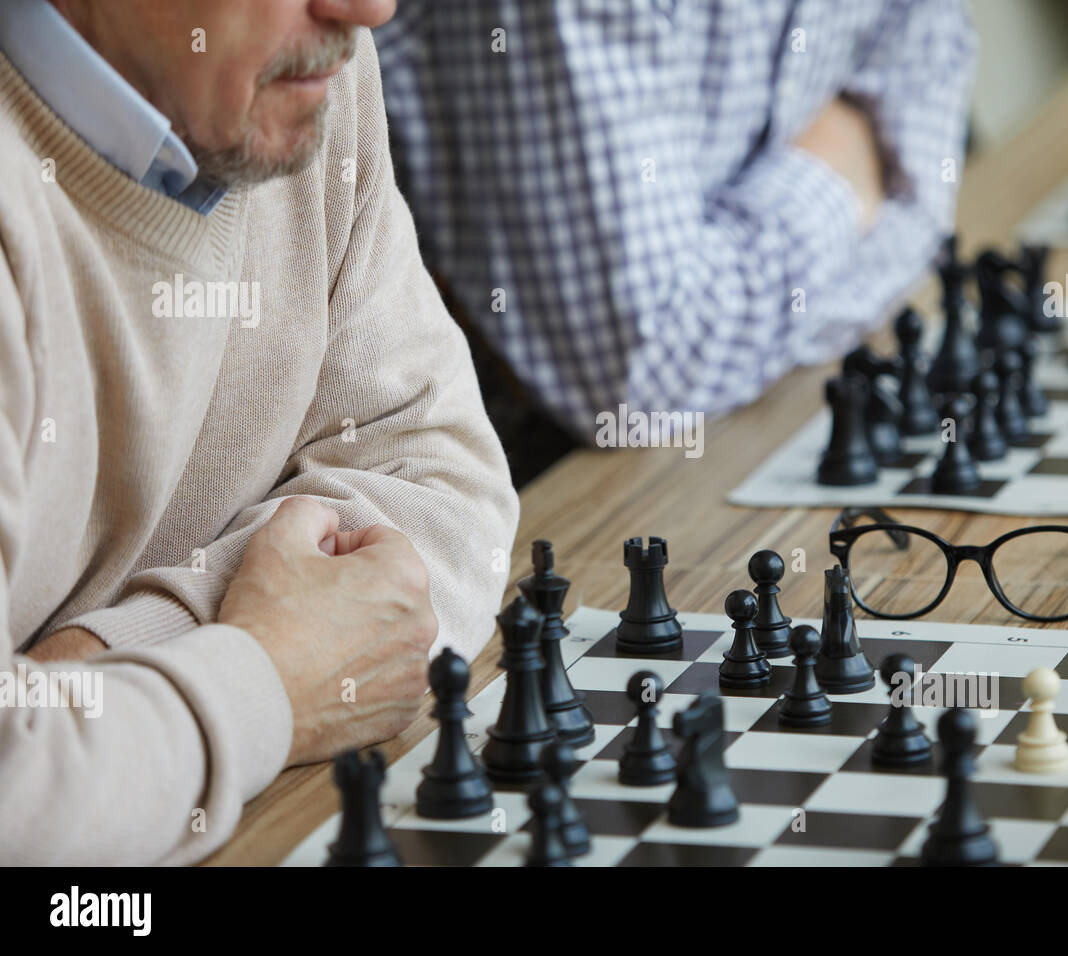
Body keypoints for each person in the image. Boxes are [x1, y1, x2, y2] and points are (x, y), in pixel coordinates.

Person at [0, 0, 518, 864]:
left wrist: (123, 662)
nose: (370, 10)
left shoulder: (305, 75)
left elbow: (441, 477)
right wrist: (266, 681)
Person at [376, 0, 977, 480]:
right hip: (520, 482)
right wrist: (846, 184)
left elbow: (921, 220)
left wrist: (726, 318)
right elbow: (637, 383)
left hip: (718, 441)